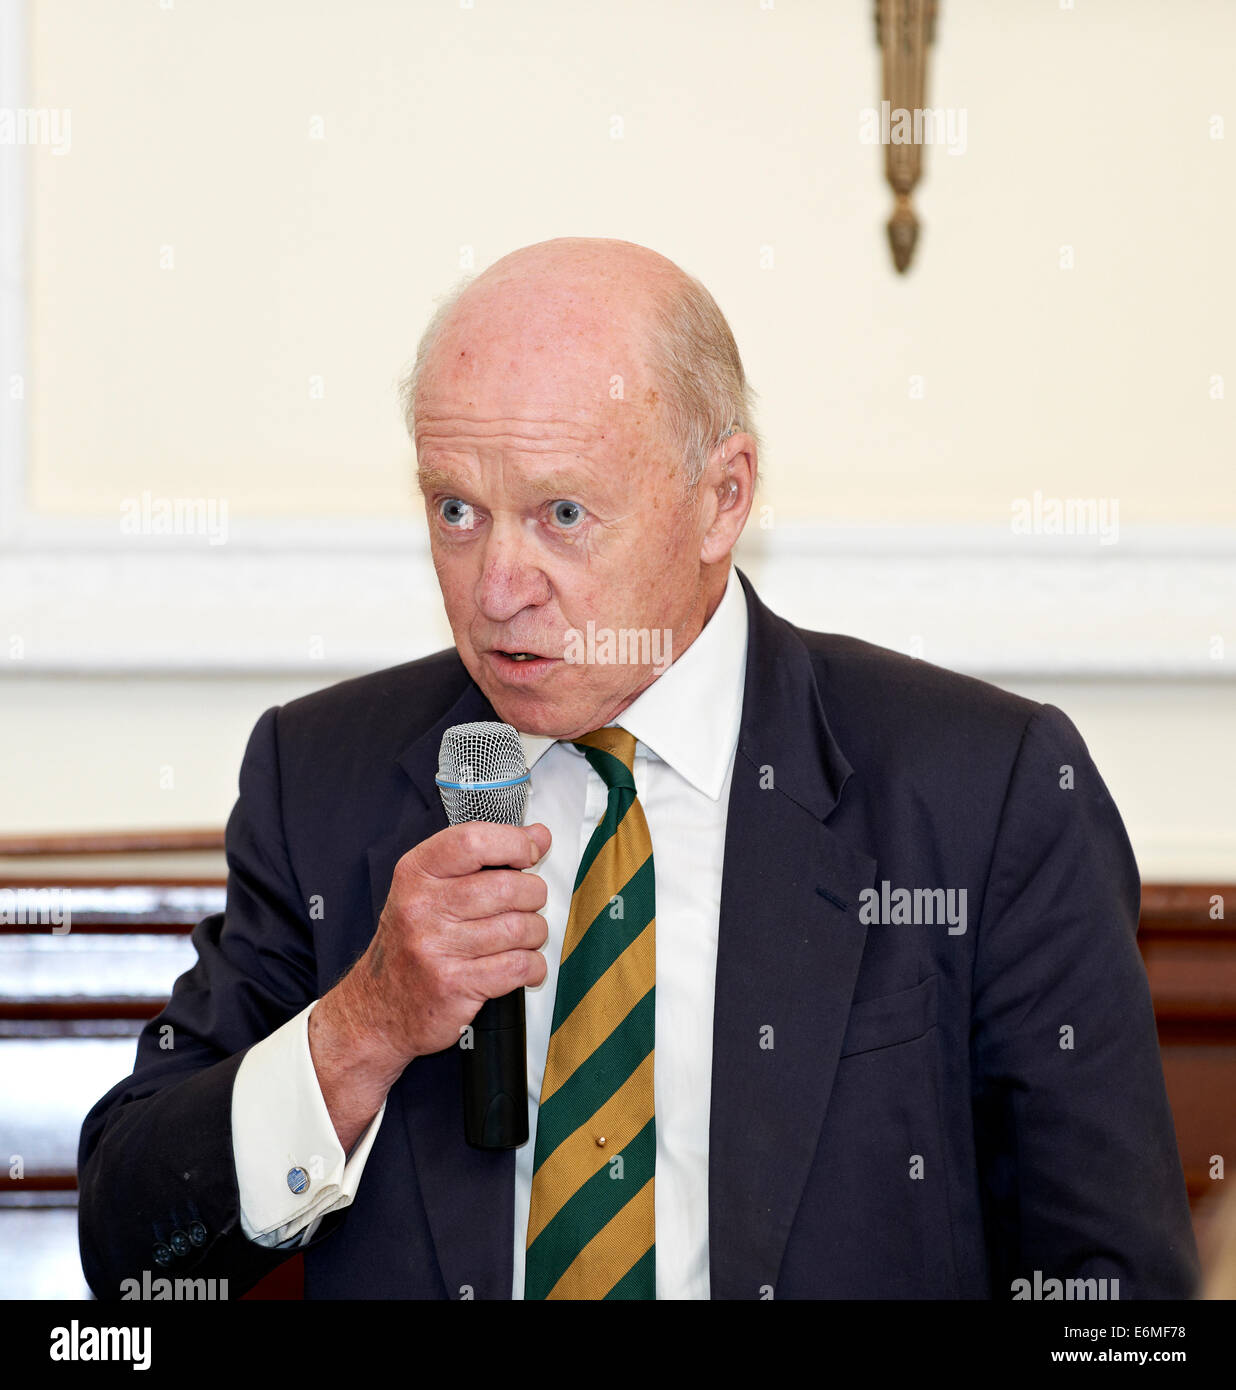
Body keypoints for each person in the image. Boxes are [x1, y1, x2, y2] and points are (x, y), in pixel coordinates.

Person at [78, 237, 1199, 1299]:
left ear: (724, 498)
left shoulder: (979, 792)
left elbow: (1114, 1294)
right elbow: (135, 1251)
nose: (496, 585)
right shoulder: (323, 778)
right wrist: (362, 1026)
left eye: (563, 513)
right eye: (456, 510)